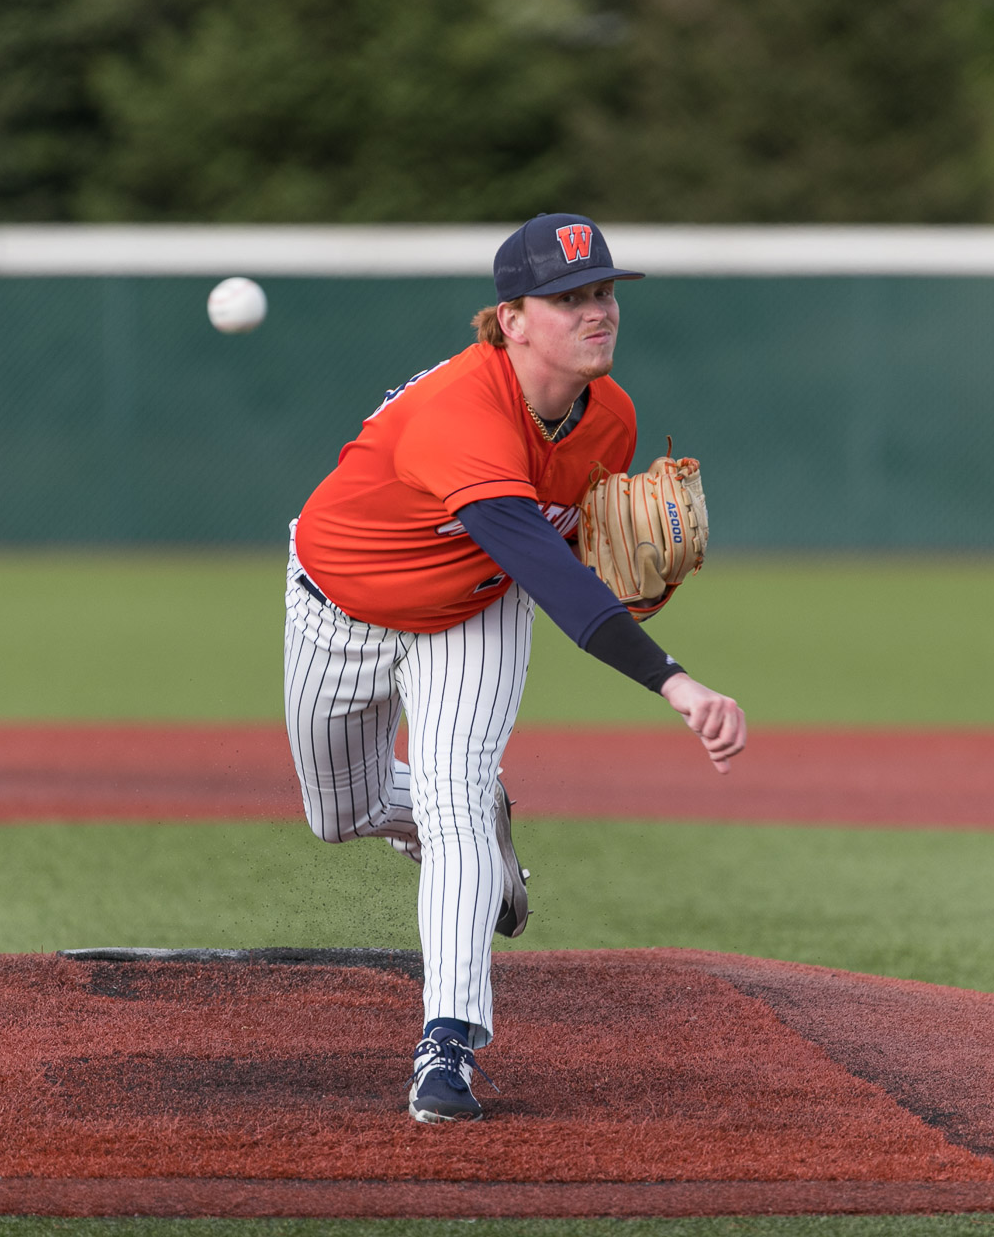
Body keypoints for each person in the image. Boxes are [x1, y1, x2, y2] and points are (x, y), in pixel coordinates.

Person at [284, 213, 746, 1124]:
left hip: (475, 612)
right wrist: (674, 680)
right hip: (339, 608)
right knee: (338, 814)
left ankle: (446, 1044)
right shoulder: (461, 415)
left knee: (452, 805)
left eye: (604, 292)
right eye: (570, 297)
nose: (598, 311)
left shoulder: (611, 417)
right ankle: (476, 815)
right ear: (512, 319)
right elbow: (549, 567)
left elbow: (555, 551)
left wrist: (612, 573)